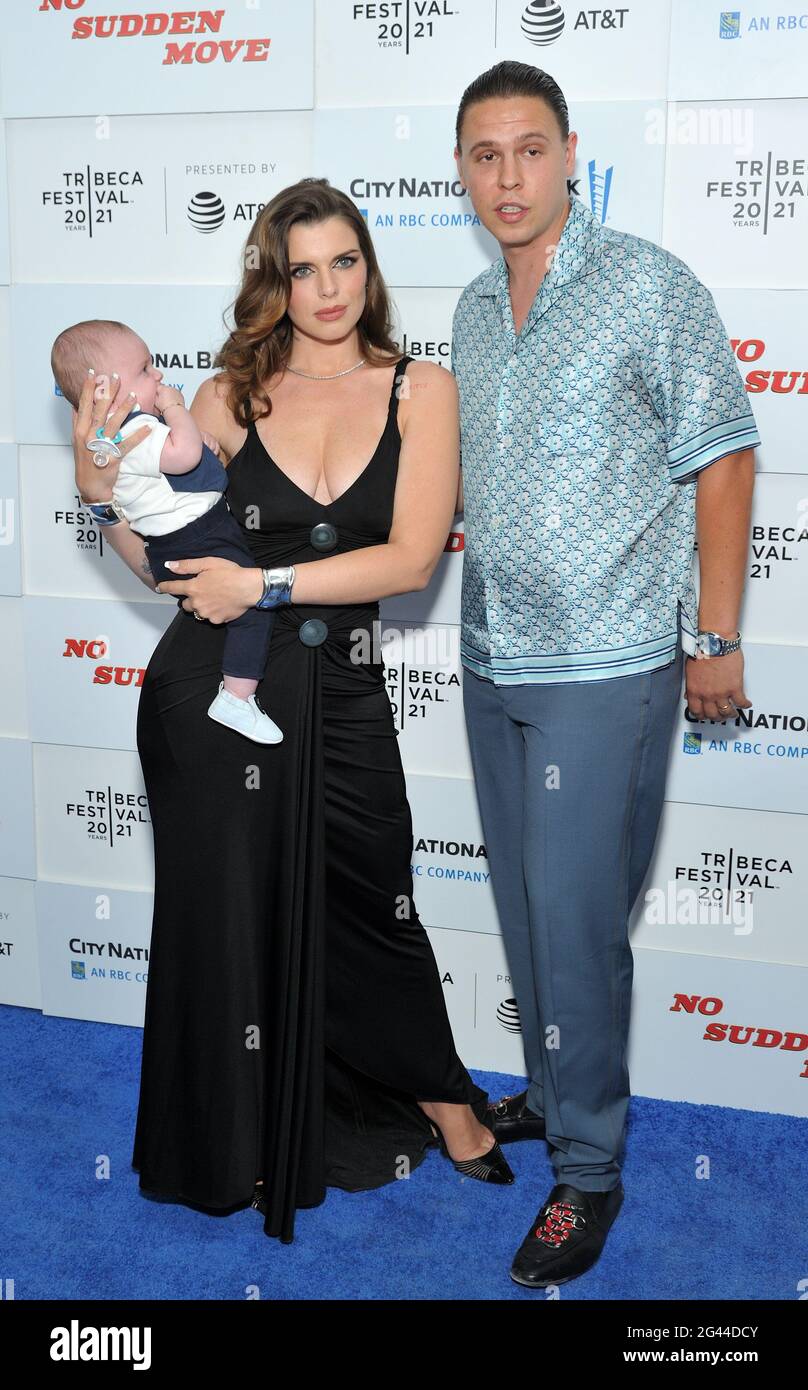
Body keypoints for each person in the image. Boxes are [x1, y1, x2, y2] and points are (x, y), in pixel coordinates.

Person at [71, 176, 515, 1247]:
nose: (326, 288)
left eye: (344, 262)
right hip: (211, 691)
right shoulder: (230, 393)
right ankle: (228, 1138)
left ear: (369, 266)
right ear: (275, 278)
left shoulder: (423, 387)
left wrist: (263, 585)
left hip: (343, 680)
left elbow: (410, 561)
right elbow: (166, 557)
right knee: (223, 917)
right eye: (302, 267)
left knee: (376, 893)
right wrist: (103, 497)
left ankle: (441, 1095)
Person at [450, 62, 760, 1288]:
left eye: (529, 150)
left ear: (571, 155)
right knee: (527, 908)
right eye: (484, 154)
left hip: (610, 658)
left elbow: (724, 457)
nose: (508, 176)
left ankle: (588, 1174)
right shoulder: (474, 309)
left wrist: (718, 636)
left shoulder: (646, 285)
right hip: (489, 657)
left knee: (576, 921)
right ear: (462, 169)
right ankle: (555, 1082)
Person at [53, 320, 282, 743]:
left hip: (189, 536)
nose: (157, 376)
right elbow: (183, 454)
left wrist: (201, 442)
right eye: (144, 369)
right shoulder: (133, 432)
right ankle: (236, 697)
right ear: (103, 392)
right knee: (253, 608)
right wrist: (178, 410)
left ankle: (237, 694)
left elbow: (183, 464)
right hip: (195, 539)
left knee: (252, 604)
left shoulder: (128, 436)